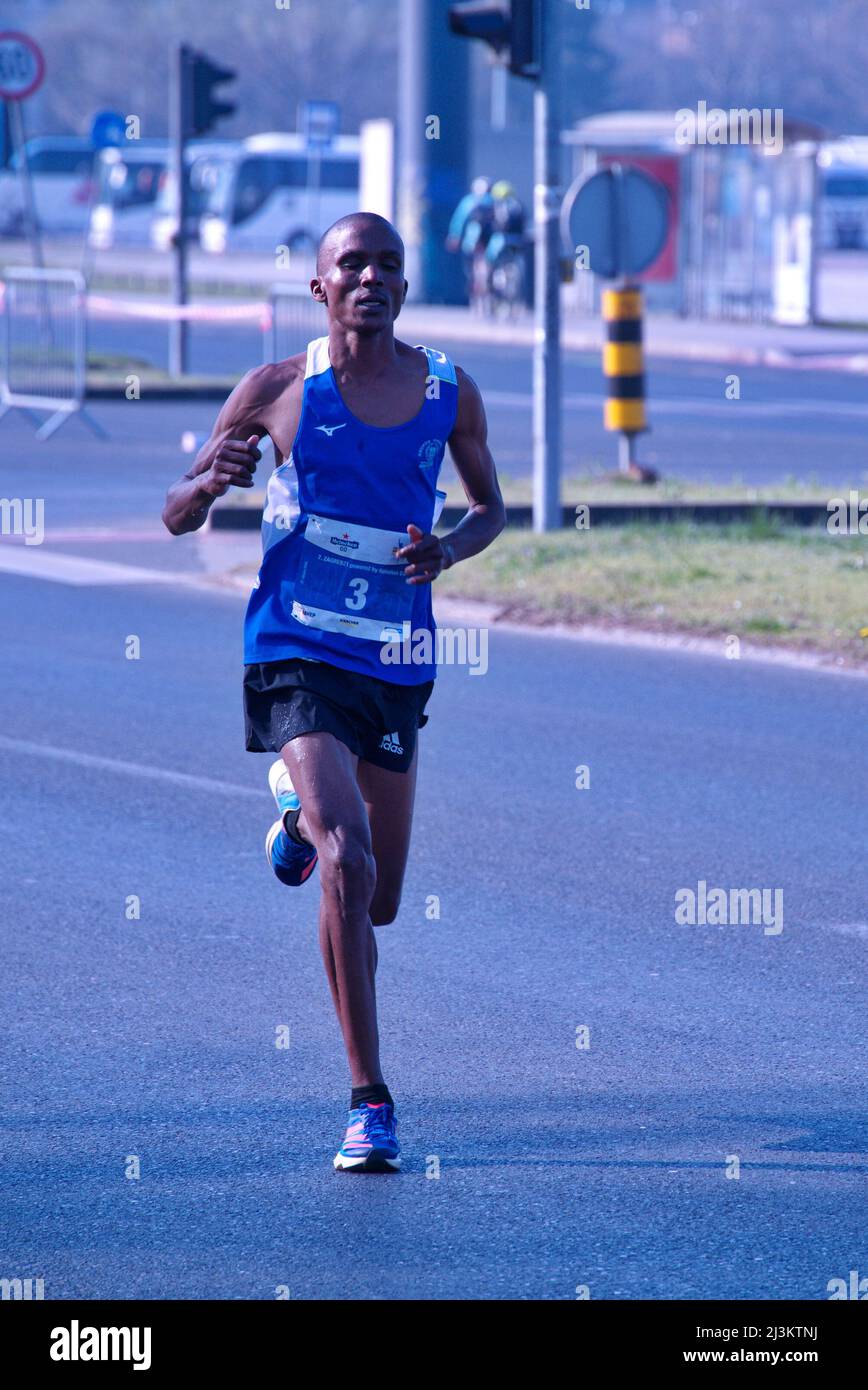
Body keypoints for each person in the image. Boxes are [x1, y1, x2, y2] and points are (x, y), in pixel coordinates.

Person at [161, 212, 505, 1173]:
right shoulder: (278, 390)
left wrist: (450, 546)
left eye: (389, 263)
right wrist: (210, 484)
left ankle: (293, 821)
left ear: (404, 285)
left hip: (394, 658)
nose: (371, 277)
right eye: (351, 263)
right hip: (296, 649)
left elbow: (491, 509)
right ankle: (370, 1101)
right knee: (346, 862)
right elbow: (177, 513)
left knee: (382, 899)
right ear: (319, 288)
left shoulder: (447, 392)